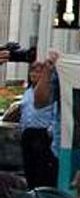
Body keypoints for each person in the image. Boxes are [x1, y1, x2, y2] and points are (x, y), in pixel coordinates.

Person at [17, 57, 59, 188]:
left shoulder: (49, 91)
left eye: (38, 72)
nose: (34, 74)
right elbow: (24, 112)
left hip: (43, 134)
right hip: (28, 134)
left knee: (42, 170)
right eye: (32, 72)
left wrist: (50, 130)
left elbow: (54, 111)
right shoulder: (28, 92)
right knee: (29, 168)